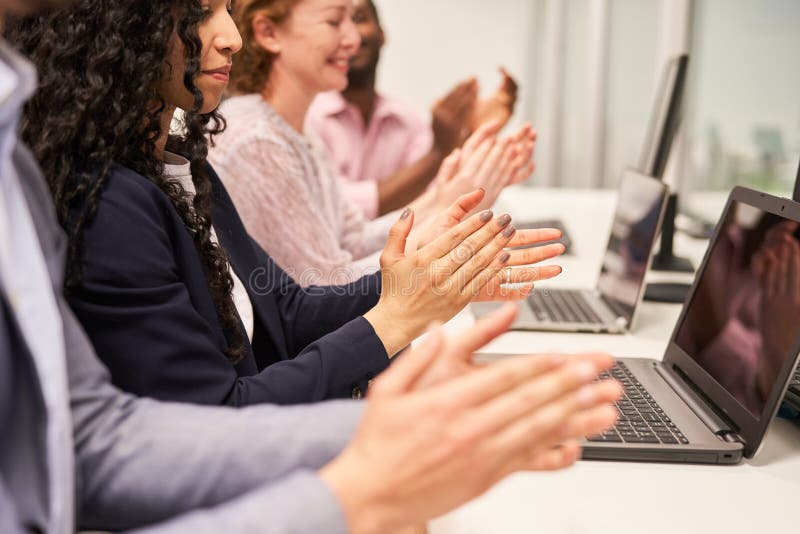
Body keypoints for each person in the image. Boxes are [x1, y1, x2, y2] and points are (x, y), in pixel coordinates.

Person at [9, 0, 563, 407]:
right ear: (126, 30)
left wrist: (426, 280)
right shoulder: (109, 205)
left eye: (227, 9)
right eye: (202, 12)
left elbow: (286, 312)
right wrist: (394, 321)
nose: (231, 37)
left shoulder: (180, 164)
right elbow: (223, 414)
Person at [210, 0, 541, 287]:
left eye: (353, 20)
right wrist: (448, 223)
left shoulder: (295, 132)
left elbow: (351, 240)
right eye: (334, 21)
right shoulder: (257, 141)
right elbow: (329, 286)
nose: (354, 40)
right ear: (269, 33)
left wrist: (448, 198)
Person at [306, 0, 520, 220]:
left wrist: (470, 135)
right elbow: (340, 211)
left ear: (382, 35)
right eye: (335, 22)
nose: (351, 36)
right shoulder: (307, 117)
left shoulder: (407, 118)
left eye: (358, 19)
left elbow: (437, 194)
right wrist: (439, 150)